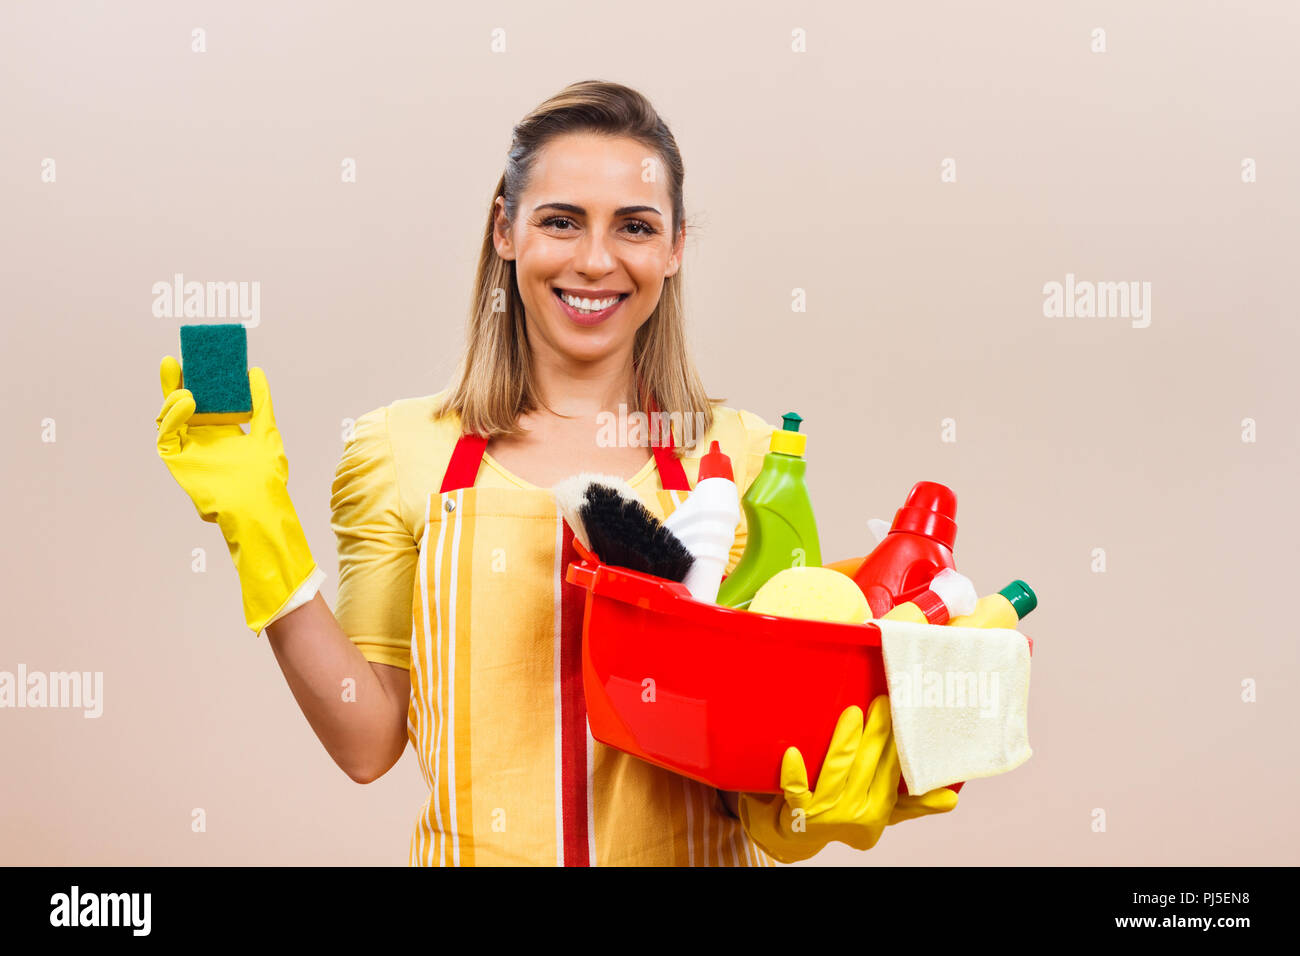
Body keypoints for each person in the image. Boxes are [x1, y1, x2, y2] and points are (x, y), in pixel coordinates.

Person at [154, 79, 957, 866]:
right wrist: (260, 527)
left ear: (675, 248)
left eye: (635, 227)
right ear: (505, 229)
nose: (596, 260)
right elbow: (366, 741)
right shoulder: (399, 451)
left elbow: (761, 750)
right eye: (562, 221)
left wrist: (798, 818)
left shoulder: (741, 460)